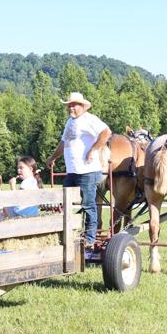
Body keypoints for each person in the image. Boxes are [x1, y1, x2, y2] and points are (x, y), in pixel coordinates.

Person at [45, 92, 111, 249]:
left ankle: (89, 238)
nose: (70, 108)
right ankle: (69, 234)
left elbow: (106, 132)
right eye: (69, 105)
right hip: (72, 171)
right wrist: (53, 157)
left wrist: (93, 150)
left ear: (82, 106)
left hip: (87, 171)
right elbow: (63, 143)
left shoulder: (89, 119)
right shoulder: (69, 122)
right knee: (65, 203)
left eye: (73, 105)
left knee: (88, 204)